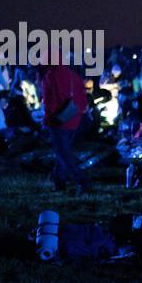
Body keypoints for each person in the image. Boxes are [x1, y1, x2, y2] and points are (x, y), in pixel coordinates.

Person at [41, 57, 89, 194]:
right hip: (74, 120)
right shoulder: (75, 76)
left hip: (57, 121)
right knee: (61, 152)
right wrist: (77, 112)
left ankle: (82, 180)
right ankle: (59, 182)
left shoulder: (49, 77)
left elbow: (48, 102)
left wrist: (48, 118)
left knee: (64, 153)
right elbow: (83, 99)